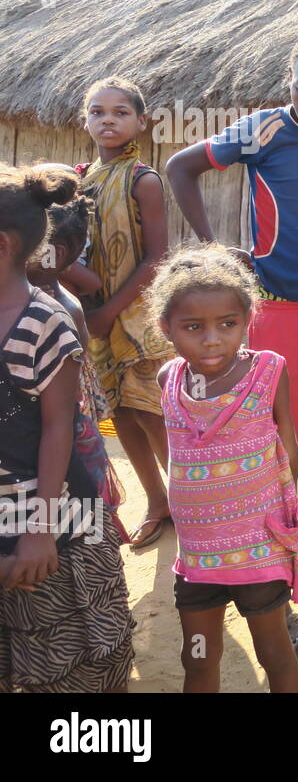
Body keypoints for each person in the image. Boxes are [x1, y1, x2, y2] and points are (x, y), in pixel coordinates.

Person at [165, 28, 298, 663]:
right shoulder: (263, 129)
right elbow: (182, 167)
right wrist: (210, 247)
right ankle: (276, 598)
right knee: (279, 454)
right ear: (290, 83)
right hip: (276, 315)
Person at [147, 244, 298, 692]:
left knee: (274, 652)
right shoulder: (168, 379)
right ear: (167, 328)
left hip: (257, 552)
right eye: (193, 327)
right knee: (198, 657)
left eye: (229, 324)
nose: (212, 339)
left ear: (247, 320)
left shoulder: (267, 371)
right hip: (199, 558)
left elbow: (290, 451)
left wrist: (260, 506)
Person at [0, 164, 135, 693]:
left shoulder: (44, 320)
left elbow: (60, 428)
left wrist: (39, 530)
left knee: (80, 668)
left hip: (54, 525)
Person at [77, 77, 173, 551]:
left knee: (151, 412)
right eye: (97, 112)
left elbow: (157, 257)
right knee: (120, 414)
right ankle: (158, 503)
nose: (108, 120)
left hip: (136, 320)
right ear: (86, 120)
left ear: (140, 121)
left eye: (119, 112)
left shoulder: (144, 180)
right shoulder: (80, 181)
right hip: (93, 318)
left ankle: (192, 503)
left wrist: (110, 310)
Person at [25, 180, 126, 543]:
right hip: (59, 425)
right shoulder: (55, 297)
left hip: (60, 425)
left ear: (57, 252)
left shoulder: (59, 309)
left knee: (79, 498)